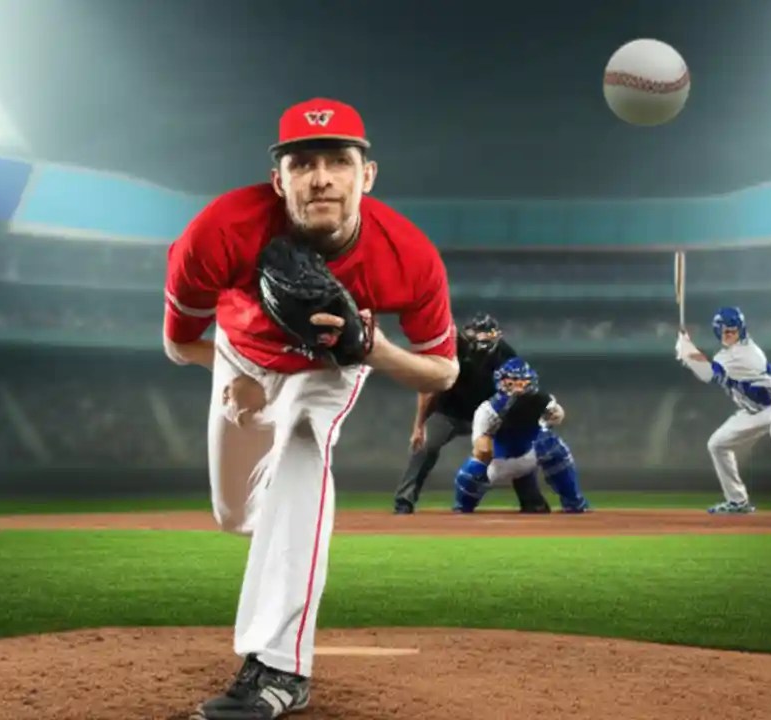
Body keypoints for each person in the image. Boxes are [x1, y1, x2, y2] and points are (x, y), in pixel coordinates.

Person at [163, 97, 459, 720]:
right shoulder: (219, 231)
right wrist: (226, 370)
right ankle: (284, 514)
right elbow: (177, 339)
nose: (320, 177)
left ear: (366, 175)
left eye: (337, 161)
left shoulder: (407, 254)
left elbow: (444, 370)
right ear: (279, 180)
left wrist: (374, 350)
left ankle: (278, 667)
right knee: (235, 512)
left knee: (304, 441)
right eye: (302, 164)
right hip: (239, 360)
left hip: (332, 366)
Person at [392, 313, 553, 513]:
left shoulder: (507, 356)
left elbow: (520, 392)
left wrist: (519, 422)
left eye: (487, 334)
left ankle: (531, 500)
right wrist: (419, 425)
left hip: (489, 414)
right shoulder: (452, 349)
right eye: (478, 334)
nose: (483, 339)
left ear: (497, 335)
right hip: (449, 411)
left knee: (515, 446)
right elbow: (429, 386)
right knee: (425, 445)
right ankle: (404, 501)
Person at [674, 307, 771, 529]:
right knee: (717, 444)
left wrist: (686, 350)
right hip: (755, 411)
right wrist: (688, 350)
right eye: (726, 332)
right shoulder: (726, 355)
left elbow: (707, 373)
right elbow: (708, 368)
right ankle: (738, 500)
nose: (731, 335)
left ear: (742, 330)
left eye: (734, 331)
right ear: (718, 333)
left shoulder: (746, 353)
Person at [453, 357, 590, 513]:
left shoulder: (542, 400)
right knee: (472, 471)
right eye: (512, 381)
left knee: (551, 444)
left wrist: (534, 421)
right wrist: (500, 427)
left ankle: (574, 503)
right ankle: (462, 507)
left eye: (522, 381)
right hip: (498, 464)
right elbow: (481, 451)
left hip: (528, 455)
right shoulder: (487, 410)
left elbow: (558, 415)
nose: (518, 386)